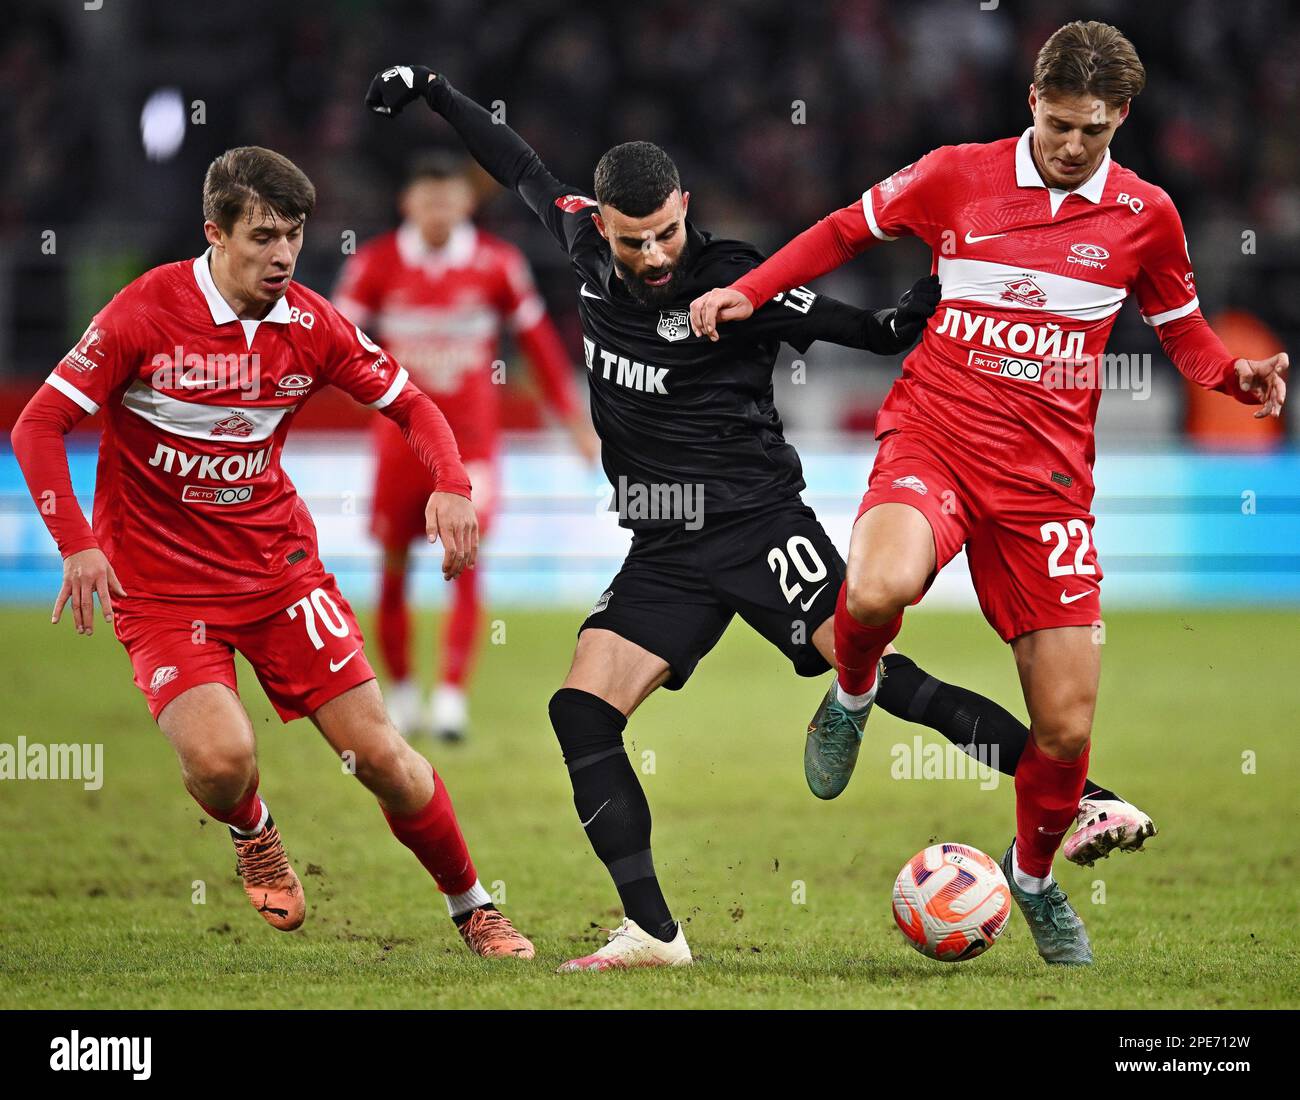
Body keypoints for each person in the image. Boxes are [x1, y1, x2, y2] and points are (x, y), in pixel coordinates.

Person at [366, 65, 1155, 972]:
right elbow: (517, 164)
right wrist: (431, 87)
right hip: (662, 544)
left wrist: (934, 297)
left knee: (885, 679)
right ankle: (656, 935)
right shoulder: (580, 242)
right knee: (580, 712)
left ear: (684, 208)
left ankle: (1084, 796)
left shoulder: (736, 282)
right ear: (601, 228)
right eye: (635, 245)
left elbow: (875, 330)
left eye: (666, 233)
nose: (656, 258)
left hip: (758, 526)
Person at [690, 20, 1288, 966]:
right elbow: (847, 228)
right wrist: (751, 290)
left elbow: (1184, 330)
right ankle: (849, 694)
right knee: (874, 590)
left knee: (1065, 728)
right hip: (935, 435)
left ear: (1121, 117)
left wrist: (1232, 377)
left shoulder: (1147, 215)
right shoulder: (955, 175)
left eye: (1093, 130)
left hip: (1046, 489)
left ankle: (1034, 877)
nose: (1072, 146)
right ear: (1033, 105)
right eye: (1058, 125)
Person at [10, 145, 535, 959]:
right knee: (222, 763)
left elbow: (413, 404)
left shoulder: (312, 323)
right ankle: (253, 828)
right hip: (161, 590)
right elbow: (38, 424)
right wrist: (76, 544)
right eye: (262, 236)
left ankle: (473, 906)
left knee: (382, 759)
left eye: (293, 234)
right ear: (214, 232)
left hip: (278, 574)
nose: (283, 255)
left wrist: (453, 483)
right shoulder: (143, 314)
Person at [335, 152, 598, 740]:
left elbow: (539, 345)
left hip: (471, 446)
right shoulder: (375, 264)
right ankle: (402, 694)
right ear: (408, 203)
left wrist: (573, 422)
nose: (438, 211)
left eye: (449, 199)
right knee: (394, 570)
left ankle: (452, 696)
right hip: (398, 442)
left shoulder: (497, 264)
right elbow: (334, 341)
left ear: (465, 204)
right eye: (427, 200)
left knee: (468, 560)